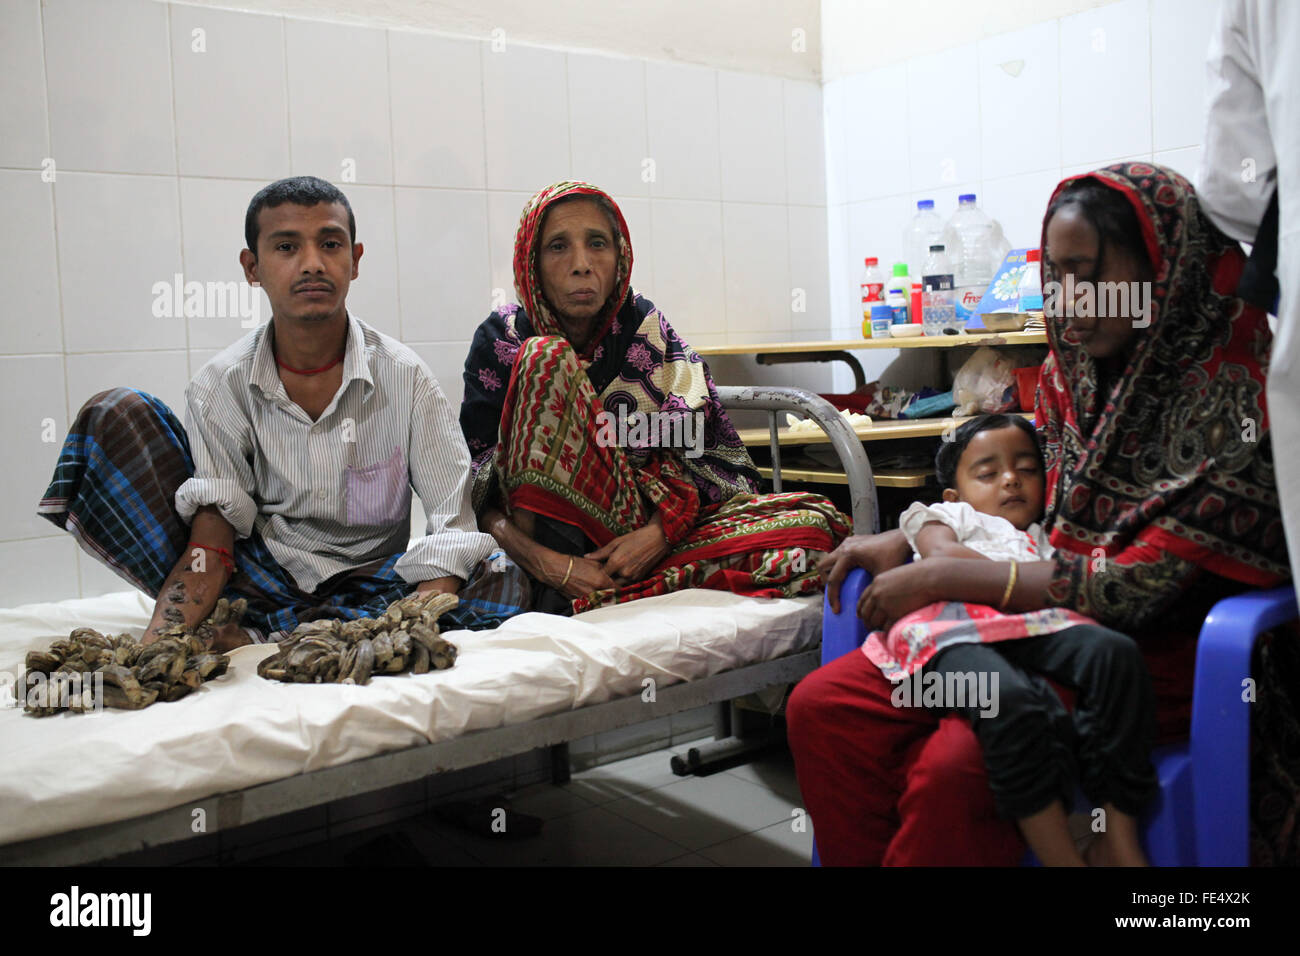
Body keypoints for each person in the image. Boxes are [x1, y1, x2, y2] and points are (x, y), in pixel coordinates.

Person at [789, 162, 1290, 866]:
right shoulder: (1071, 376)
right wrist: (908, 541)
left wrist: (939, 578)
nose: (1068, 300)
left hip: (1155, 658)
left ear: (1162, 274)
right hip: (1035, 621)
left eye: (1087, 274)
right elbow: (1028, 526)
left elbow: (1128, 591)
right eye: (1055, 275)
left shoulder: (1235, 398)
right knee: (822, 709)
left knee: (956, 767)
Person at [38, 176, 514, 650]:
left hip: (375, 585)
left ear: (355, 261)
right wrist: (159, 648)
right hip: (255, 581)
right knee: (117, 415)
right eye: (286, 247)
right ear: (253, 267)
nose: (312, 264)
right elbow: (212, 542)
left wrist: (408, 626)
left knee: (502, 573)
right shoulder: (220, 384)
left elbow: (453, 526)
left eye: (330, 244)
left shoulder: (407, 378)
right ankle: (281, 626)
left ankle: (272, 634)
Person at [460, 180, 850, 613]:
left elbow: (706, 455)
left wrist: (657, 536)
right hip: (531, 547)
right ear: (530, 261)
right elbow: (474, 489)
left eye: (597, 244)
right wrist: (551, 564)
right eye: (558, 247)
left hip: (639, 534)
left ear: (620, 255)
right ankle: (553, 587)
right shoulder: (503, 341)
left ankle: (613, 587)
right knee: (546, 358)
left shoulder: (646, 331)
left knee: (814, 527)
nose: (582, 264)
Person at [867, 414, 1155, 866]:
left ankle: (1116, 832)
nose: (1010, 480)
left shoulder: (1045, 536)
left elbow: (1072, 584)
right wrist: (1013, 577)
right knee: (1005, 698)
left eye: (1027, 469)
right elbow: (942, 557)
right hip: (948, 634)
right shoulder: (944, 515)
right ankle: (1061, 856)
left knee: (1114, 655)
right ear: (955, 492)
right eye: (987, 473)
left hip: (1031, 626)